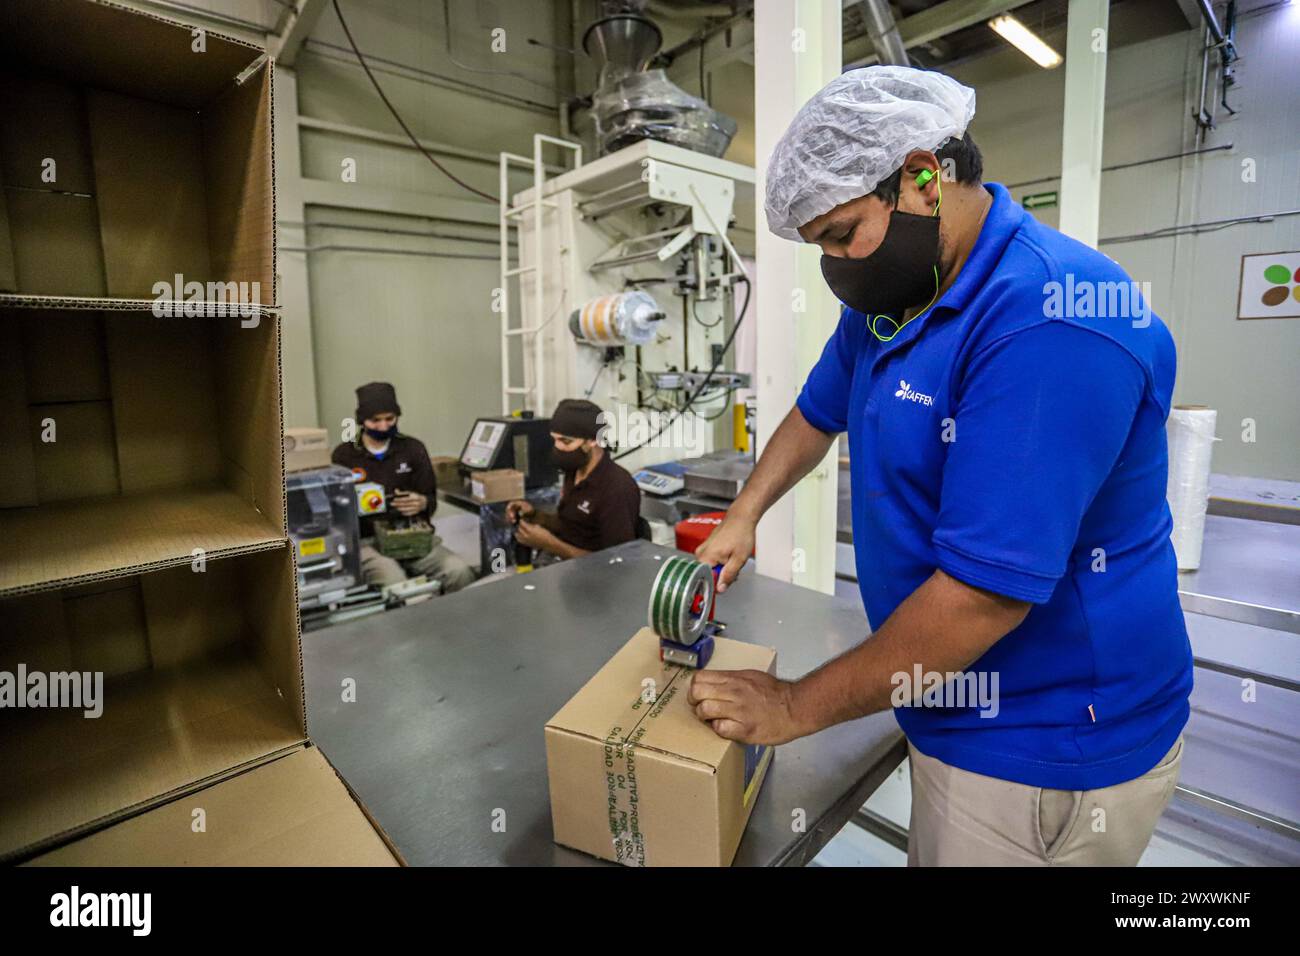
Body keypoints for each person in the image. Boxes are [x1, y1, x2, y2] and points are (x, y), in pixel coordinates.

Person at [688, 66, 1193, 866]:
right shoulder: (904, 293)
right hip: (944, 696)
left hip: (1045, 740)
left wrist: (793, 706)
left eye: (843, 233)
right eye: (818, 243)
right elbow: (817, 412)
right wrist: (744, 513)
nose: (835, 267)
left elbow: (981, 603)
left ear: (924, 177)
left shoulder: (1050, 320)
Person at [331, 382, 476, 593]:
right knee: (396, 585)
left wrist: (422, 503)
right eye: (375, 420)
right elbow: (337, 513)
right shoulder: (344, 455)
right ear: (361, 420)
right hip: (367, 542)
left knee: (459, 571)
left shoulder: (413, 449)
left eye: (390, 419)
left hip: (413, 537)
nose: (383, 427)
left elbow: (431, 500)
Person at [505, 399, 641, 560]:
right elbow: (571, 526)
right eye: (554, 439)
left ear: (592, 440)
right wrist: (536, 516)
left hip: (595, 579)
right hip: (563, 566)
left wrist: (550, 545)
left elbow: (618, 562)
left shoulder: (616, 488)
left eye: (566, 441)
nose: (558, 447)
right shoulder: (574, 469)